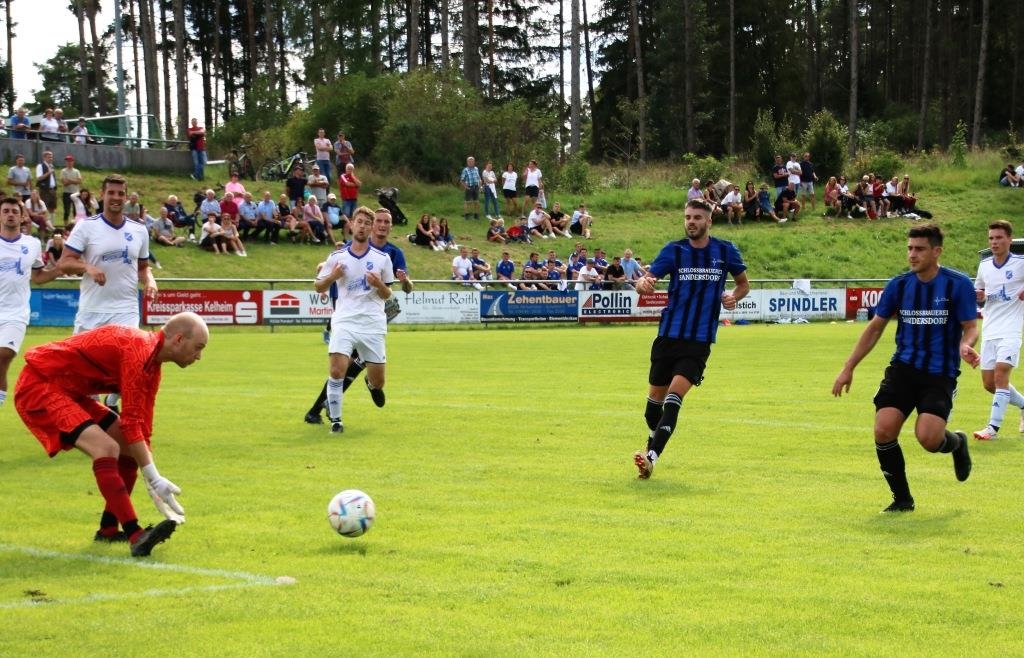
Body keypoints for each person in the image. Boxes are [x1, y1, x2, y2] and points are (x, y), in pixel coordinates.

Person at [14, 312, 209, 557]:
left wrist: (151, 475)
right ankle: (135, 534)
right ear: (179, 339)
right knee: (106, 448)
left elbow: (142, 428)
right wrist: (153, 476)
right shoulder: (139, 352)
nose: (199, 356)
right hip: (40, 385)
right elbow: (131, 422)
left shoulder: (151, 364)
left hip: (69, 391)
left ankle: (108, 529)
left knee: (129, 447)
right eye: (198, 347)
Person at [832, 224, 976, 512]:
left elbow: (970, 326)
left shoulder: (957, 284)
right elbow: (875, 328)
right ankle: (902, 500)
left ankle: (957, 443)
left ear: (937, 251)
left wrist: (966, 345)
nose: (912, 254)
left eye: (919, 249)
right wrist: (849, 367)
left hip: (939, 373)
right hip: (903, 369)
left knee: (929, 438)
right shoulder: (899, 285)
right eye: (910, 248)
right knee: (883, 430)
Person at [632, 198, 750, 480]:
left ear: (709, 221)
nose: (691, 222)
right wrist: (642, 284)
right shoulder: (674, 250)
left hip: (699, 340)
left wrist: (734, 296)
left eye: (697, 217)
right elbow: (644, 281)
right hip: (667, 337)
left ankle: (651, 458)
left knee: (674, 398)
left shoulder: (725, 250)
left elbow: (743, 284)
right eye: (687, 217)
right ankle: (652, 443)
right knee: (652, 411)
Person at [304, 207, 412, 424]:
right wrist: (325, 270)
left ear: (390, 227)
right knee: (343, 365)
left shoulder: (393, 253)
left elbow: (406, 288)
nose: (382, 225)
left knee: (357, 362)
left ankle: (328, 404)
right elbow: (331, 265)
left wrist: (405, 281)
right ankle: (320, 409)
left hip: (374, 312)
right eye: (379, 221)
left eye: (386, 222)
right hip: (347, 311)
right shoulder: (351, 247)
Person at [0, 196, 63, 408]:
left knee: (3, 355)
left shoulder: (32, 244)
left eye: (14, 211)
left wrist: (59, 270)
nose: (10, 214)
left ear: (22, 217)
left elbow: (37, 276)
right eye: (5, 211)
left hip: (15, 314)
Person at [972, 221, 1024, 440]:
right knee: (989, 384)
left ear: (1009, 239)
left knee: (1001, 374)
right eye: (991, 238)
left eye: (999, 237)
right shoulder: (984, 265)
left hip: (1011, 330)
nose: (994, 242)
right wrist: (979, 296)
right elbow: (979, 292)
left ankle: (992, 429)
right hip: (990, 329)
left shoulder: (1021, 263)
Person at [59, 155, 83, 226]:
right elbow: (64, 183)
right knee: (66, 210)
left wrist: (69, 180)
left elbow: (79, 181)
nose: (69, 163)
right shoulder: (63, 171)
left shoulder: (76, 171)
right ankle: (66, 225)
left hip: (76, 193)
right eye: (67, 161)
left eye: (70, 161)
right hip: (67, 193)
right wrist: (74, 181)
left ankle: (75, 225)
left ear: (73, 162)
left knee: (76, 210)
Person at [460, 156, 481, 221]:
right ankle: (467, 215)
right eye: (470, 161)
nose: (471, 163)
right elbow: (462, 180)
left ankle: (476, 215)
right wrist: (466, 187)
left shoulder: (476, 168)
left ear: (474, 162)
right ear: (467, 162)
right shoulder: (465, 170)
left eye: (472, 161)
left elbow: (478, 177)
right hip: (469, 187)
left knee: (476, 202)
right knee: (467, 202)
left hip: (476, 187)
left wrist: (480, 183)